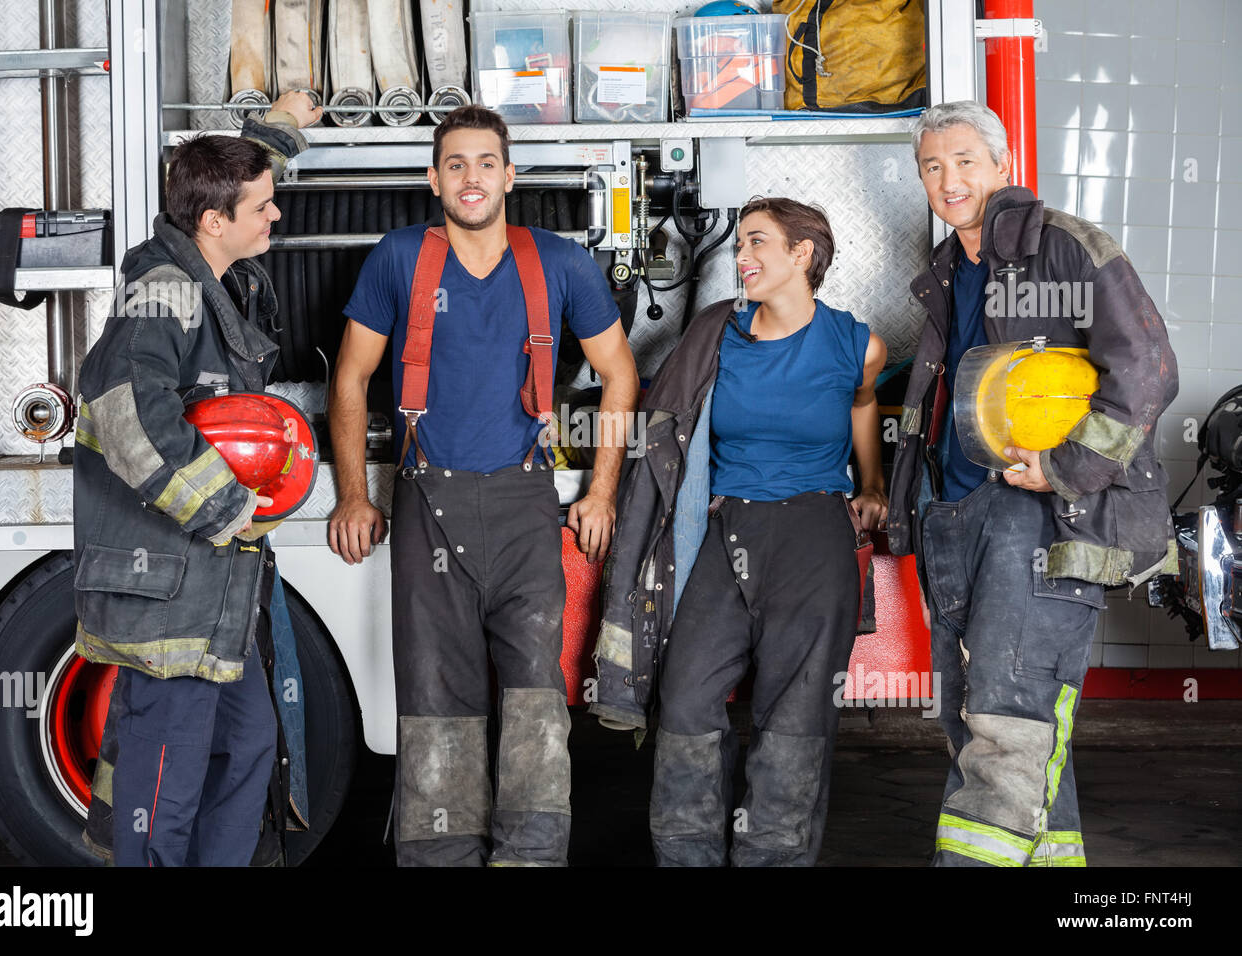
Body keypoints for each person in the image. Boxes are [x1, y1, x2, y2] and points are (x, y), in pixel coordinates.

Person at [328, 104, 639, 866]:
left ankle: (531, 855)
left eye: (486, 163)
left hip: (524, 500)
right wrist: (353, 495)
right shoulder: (398, 258)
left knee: (536, 697)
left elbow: (619, 372)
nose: (472, 178)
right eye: (456, 165)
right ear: (434, 178)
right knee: (437, 698)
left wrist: (600, 492)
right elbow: (351, 378)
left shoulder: (560, 262)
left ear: (510, 174)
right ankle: (442, 855)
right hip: (427, 499)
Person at [887, 101, 1178, 866]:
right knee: (981, 717)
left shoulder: (1067, 249)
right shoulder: (946, 273)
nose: (949, 180)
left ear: (1003, 166)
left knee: (1007, 716)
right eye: (932, 166)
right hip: (955, 515)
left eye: (964, 162)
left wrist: (1065, 468)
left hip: (1041, 518)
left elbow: (1147, 371)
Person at [591, 197, 887, 866]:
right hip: (728, 529)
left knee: (796, 717)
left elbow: (863, 402)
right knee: (687, 697)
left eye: (757, 244)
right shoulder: (717, 331)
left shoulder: (857, 344)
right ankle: (687, 856)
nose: (741, 258)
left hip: (814, 533)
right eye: (739, 246)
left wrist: (870, 484)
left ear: (801, 255)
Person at [73, 91, 322, 866]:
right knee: (164, 776)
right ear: (215, 222)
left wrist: (273, 136)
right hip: (170, 595)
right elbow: (128, 416)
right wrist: (224, 510)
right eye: (264, 207)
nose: (274, 216)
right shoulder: (164, 292)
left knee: (246, 743)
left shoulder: (209, 268)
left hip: (212, 596)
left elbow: (230, 182)